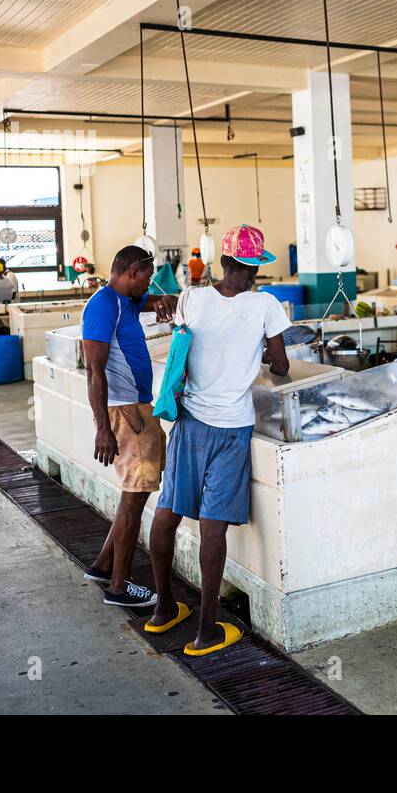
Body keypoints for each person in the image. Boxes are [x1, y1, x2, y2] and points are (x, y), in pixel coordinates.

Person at [146, 225, 290, 655]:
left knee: (168, 509)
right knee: (213, 526)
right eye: (252, 268)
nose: (251, 276)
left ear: (221, 262)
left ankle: (163, 609)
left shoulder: (192, 297)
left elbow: (183, 347)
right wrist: (265, 354)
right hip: (231, 427)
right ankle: (206, 630)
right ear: (245, 267)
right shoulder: (266, 305)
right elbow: (281, 367)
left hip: (189, 420)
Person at [80, 245, 178, 607]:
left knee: (131, 496)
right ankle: (119, 586)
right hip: (126, 414)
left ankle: (104, 566)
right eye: (148, 277)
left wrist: (164, 298)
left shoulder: (126, 302)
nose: (149, 285)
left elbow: (153, 301)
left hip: (136, 409)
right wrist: (102, 427)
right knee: (134, 500)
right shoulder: (103, 305)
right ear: (133, 271)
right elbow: (94, 371)